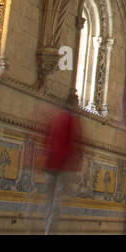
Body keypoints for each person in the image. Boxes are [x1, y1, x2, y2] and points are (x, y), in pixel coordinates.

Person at [42, 95, 83, 235]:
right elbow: (74, 141)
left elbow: (46, 138)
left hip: (49, 163)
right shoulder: (71, 119)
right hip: (61, 165)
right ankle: (50, 231)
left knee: (49, 200)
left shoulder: (56, 117)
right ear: (74, 105)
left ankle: (47, 228)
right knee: (56, 202)